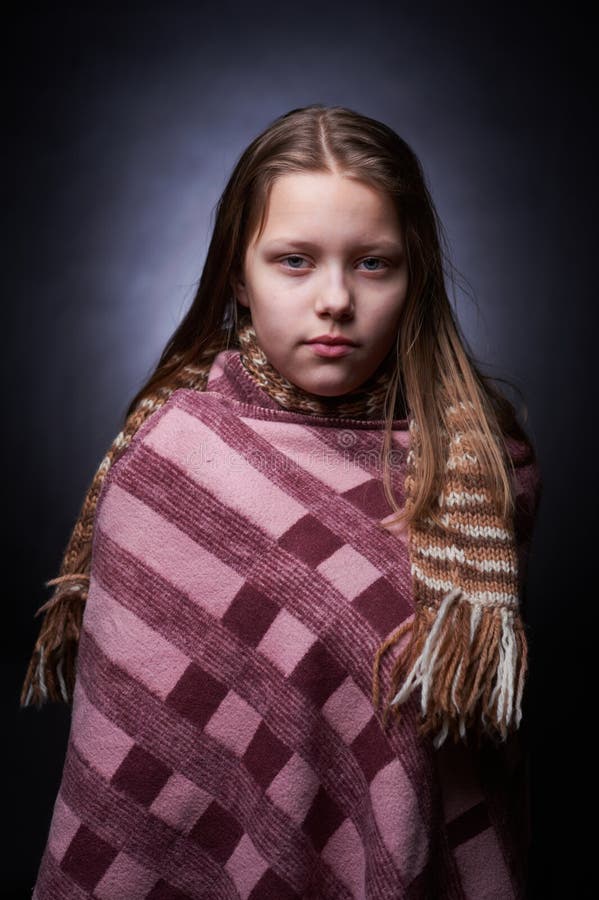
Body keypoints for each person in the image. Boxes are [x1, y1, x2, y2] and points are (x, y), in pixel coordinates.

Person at [22, 104, 542, 899]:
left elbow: (454, 758)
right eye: (294, 261)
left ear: (414, 276)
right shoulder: (170, 464)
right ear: (239, 272)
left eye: (373, 263)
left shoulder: (476, 471)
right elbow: (143, 756)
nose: (335, 299)